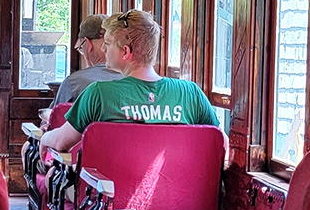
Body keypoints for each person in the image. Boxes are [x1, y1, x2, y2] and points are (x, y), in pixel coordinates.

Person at [40, 9, 219, 154]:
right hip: (180, 196)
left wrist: (44, 139)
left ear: (125, 52)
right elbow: (220, 142)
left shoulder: (98, 94)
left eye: (108, 44)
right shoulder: (190, 93)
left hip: (110, 195)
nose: (103, 48)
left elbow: (61, 141)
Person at [50, 14, 121, 108]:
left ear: (88, 44)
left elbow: (54, 118)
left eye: (80, 48)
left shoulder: (74, 83)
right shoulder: (135, 81)